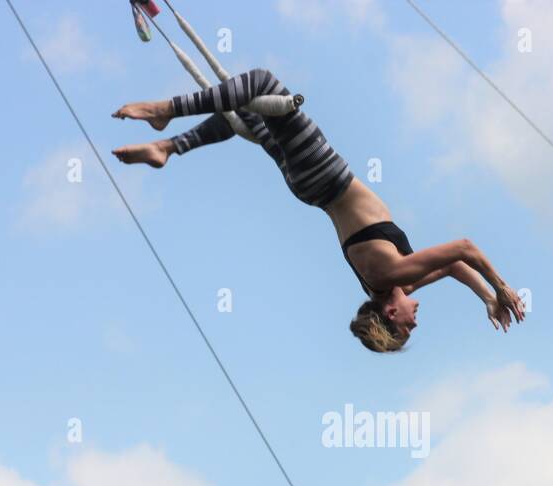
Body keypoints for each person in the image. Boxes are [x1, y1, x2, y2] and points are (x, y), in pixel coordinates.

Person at [112, 68, 526, 351]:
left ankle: (164, 112)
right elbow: (455, 266)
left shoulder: (390, 275)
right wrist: (488, 298)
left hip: (326, 177)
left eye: (403, 327)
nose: (414, 323)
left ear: (387, 312)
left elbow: (465, 247)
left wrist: (502, 285)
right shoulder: (405, 282)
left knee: (262, 85)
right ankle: (167, 148)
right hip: (311, 188)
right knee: (250, 117)